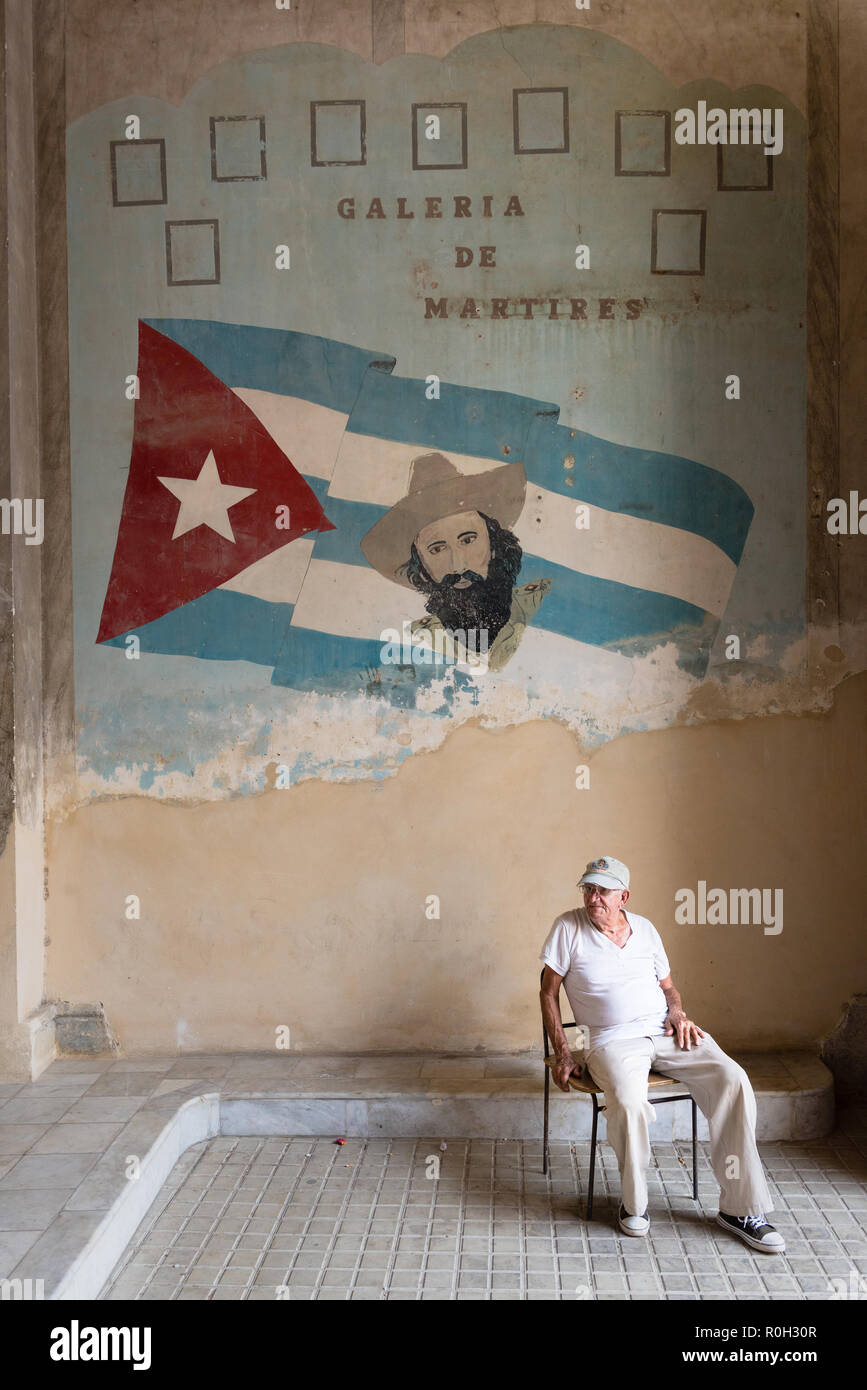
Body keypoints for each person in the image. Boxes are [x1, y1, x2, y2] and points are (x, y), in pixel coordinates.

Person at [539, 855, 785, 1251]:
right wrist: (564, 1052)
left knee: (732, 1078)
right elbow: (548, 992)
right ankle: (633, 1205)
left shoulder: (648, 930)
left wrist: (678, 1012)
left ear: (624, 896)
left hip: (665, 1031)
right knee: (630, 1101)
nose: (593, 897)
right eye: (588, 888)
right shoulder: (569, 927)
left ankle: (741, 1209)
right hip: (611, 1041)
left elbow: (669, 987)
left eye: (603, 890)